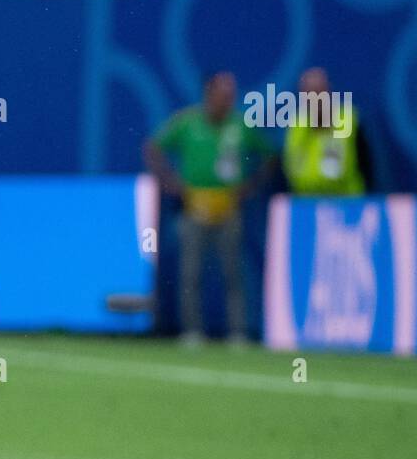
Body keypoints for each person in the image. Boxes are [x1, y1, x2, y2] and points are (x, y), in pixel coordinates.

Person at [144, 71, 275, 346]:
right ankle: (192, 332)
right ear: (208, 93)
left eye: (231, 95)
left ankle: (238, 332)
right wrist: (170, 183)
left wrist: (250, 186)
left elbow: (270, 155)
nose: (228, 100)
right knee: (191, 273)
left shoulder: (240, 125)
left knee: (234, 275)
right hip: (195, 208)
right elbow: (153, 147)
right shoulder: (188, 122)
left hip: (228, 208)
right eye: (222, 94)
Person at [282, 67, 364, 197]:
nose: (315, 99)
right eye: (309, 94)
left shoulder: (348, 120)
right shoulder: (297, 125)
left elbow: (365, 163)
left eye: (319, 93)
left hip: (347, 204)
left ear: (328, 92)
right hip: (307, 205)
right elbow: (290, 168)